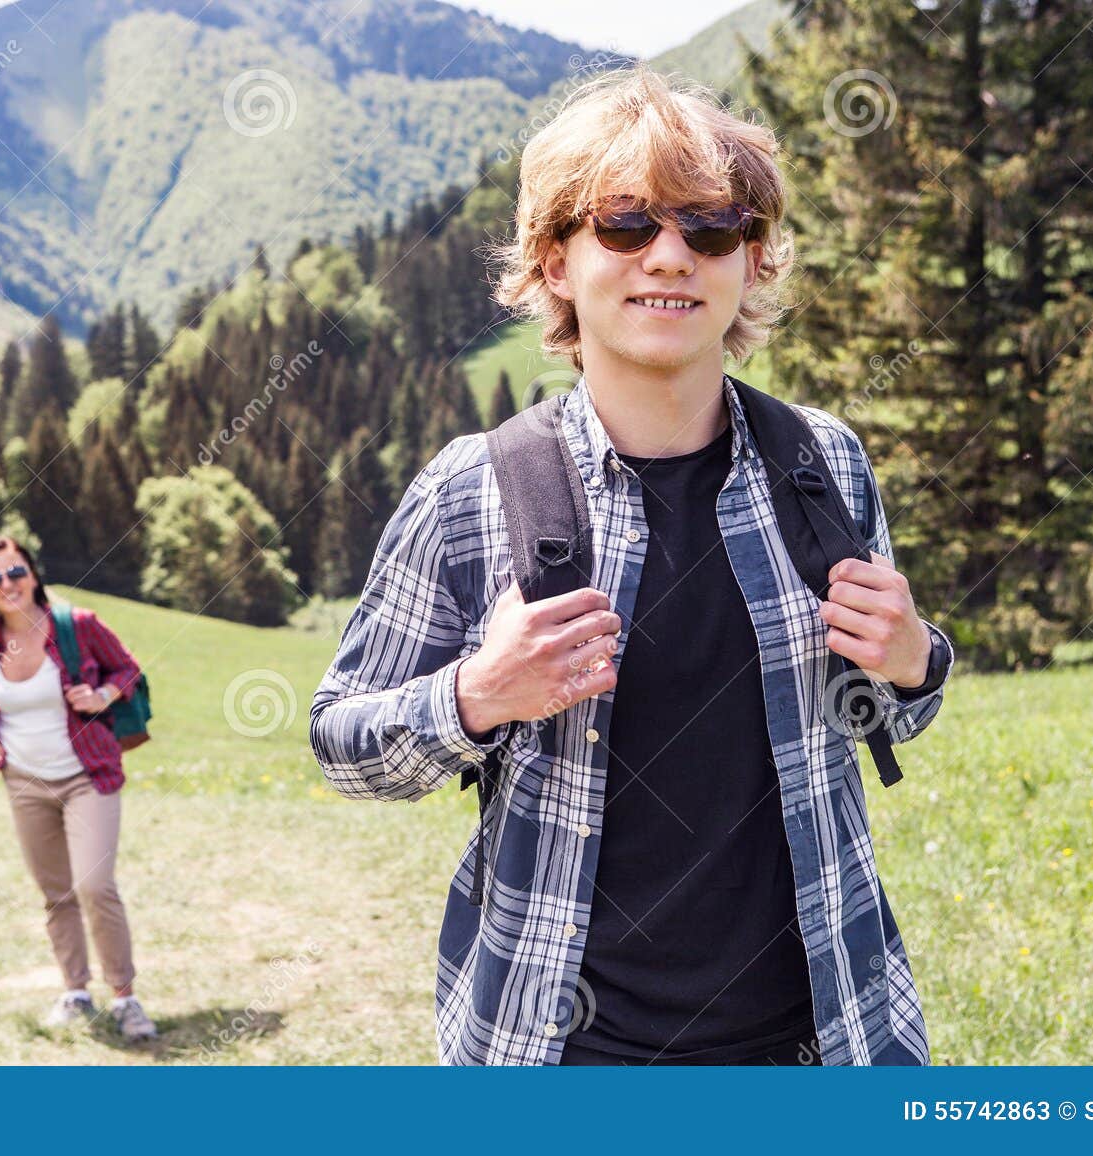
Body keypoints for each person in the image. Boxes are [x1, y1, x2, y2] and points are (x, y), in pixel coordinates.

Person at [309, 65, 955, 1066]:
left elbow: (889, 709)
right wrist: (477, 695)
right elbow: (342, 743)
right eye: (624, 224)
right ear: (556, 261)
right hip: (560, 1054)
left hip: (823, 1040)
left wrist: (914, 660)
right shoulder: (471, 491)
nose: (671, 255)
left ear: (749, 260)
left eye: (710, 227)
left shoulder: (820, 464)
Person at [0, 534, 158, 1043]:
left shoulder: (77, 627)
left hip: (89, 775)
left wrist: (102, 694)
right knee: (55, 893)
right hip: (24, 782)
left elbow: (128, 668)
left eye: (15, 571)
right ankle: (75, 991)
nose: (7, 584)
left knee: (94, 886)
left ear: (33, 573)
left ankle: (125, 998)